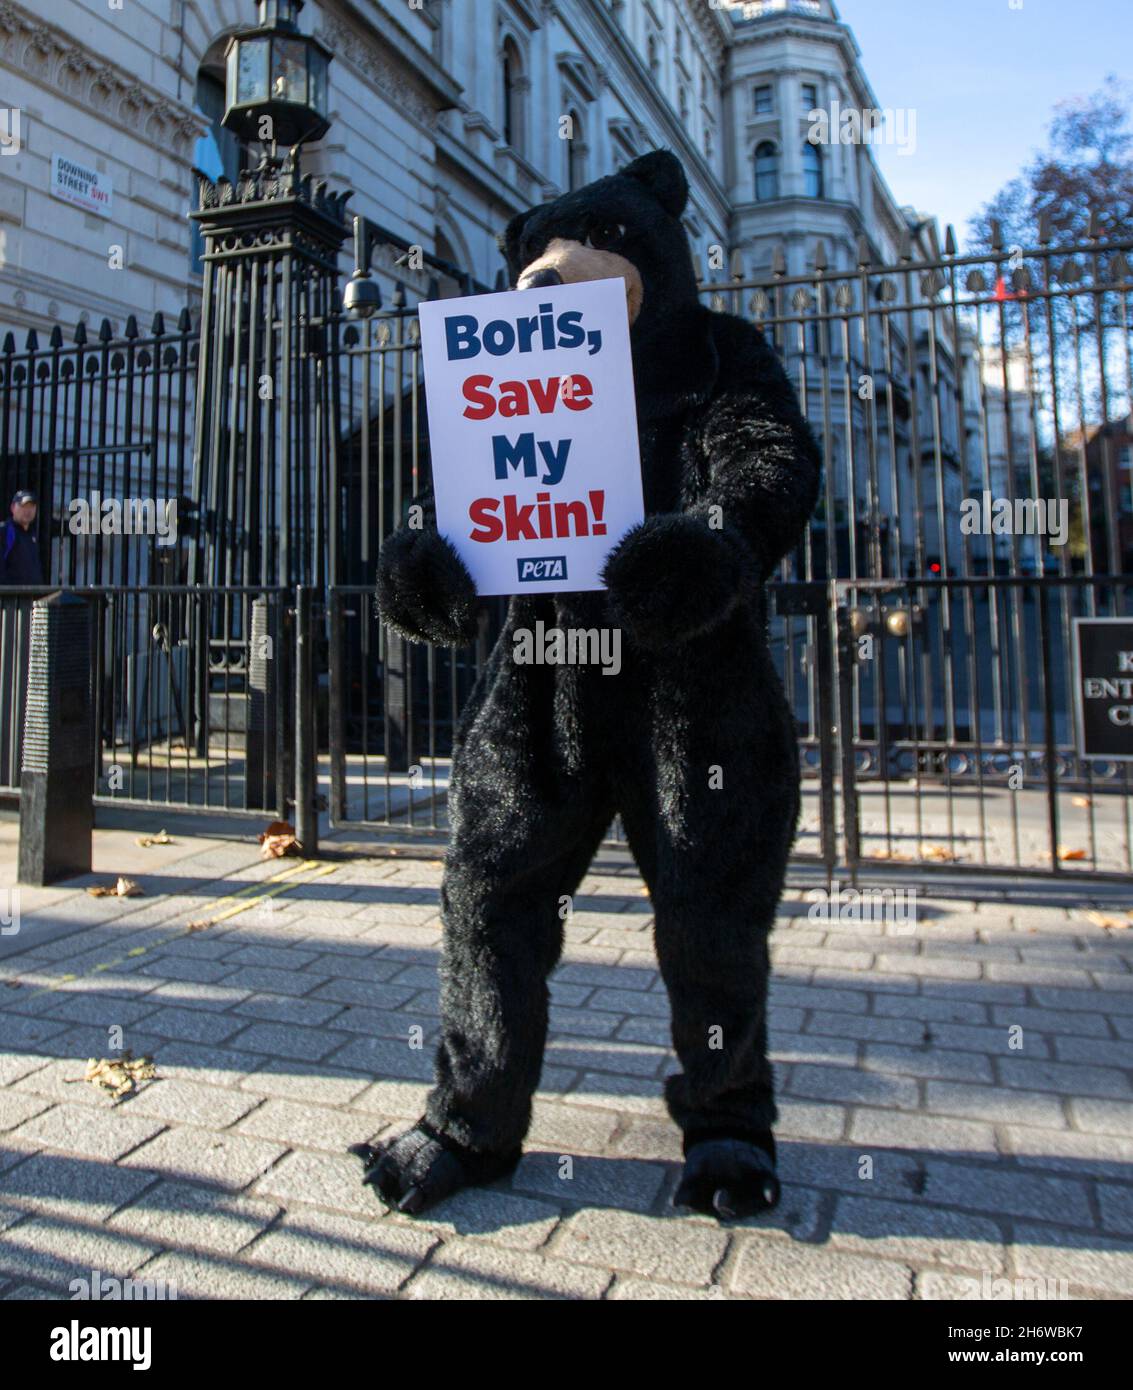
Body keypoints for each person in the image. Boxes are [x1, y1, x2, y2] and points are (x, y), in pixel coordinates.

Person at [0, 490, 42, 586]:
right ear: (13, 508)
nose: (28, 511)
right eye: (23, 506)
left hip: (30, 596)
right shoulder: (5, 531)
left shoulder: (32, 535)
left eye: (31, 507)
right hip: (10, 597)